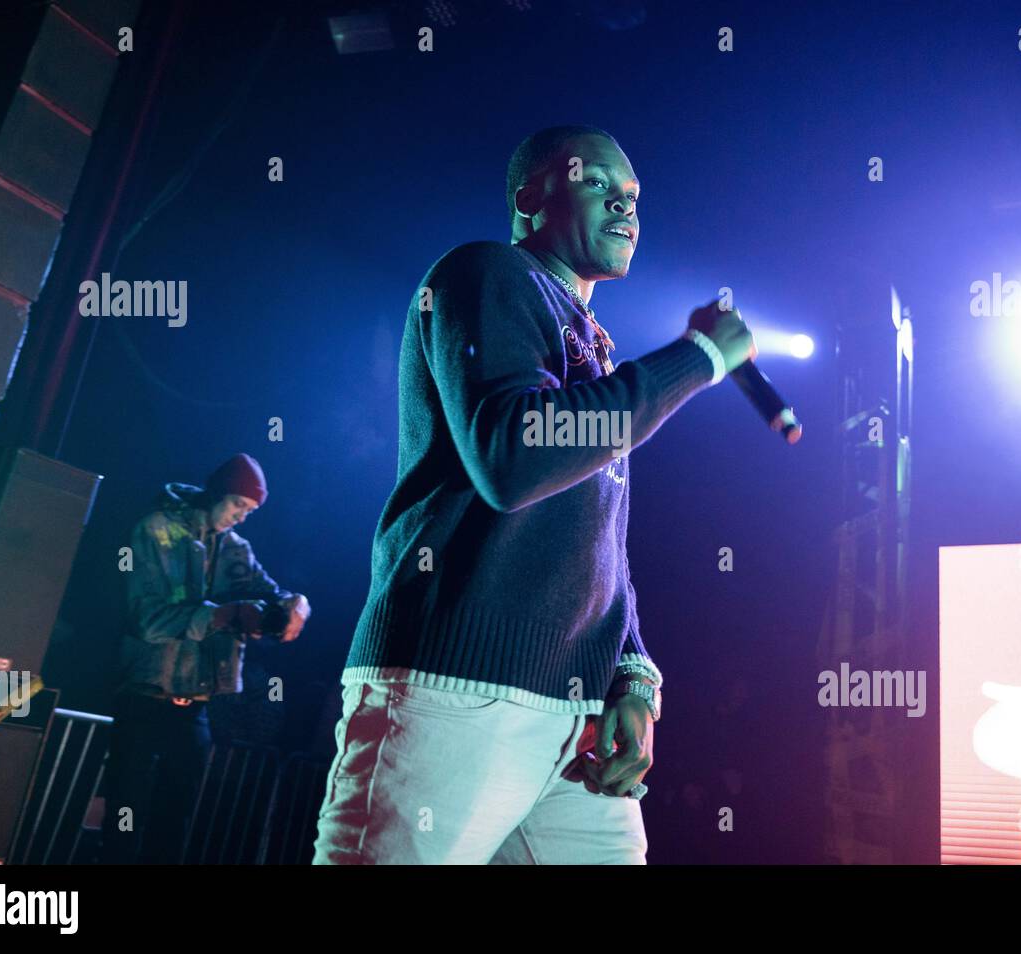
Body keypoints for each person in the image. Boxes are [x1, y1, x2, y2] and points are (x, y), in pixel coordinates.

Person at [313, 125, 754, 864]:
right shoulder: (484, 274)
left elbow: (597, 544)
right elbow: (513, 456)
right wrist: (698, 358)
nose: (624, 202)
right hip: (453, 688)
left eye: (635, 195)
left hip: (574, 719)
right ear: (529, 199)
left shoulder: (596, 349)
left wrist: (632, 673)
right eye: (596, 182)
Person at [100, 453, 310, 864]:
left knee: (175, 819)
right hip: (144, 698)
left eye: (250, 511)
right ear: (218, 493)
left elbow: (273, 593)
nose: (242, 518)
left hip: (194, 706)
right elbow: (146, 619)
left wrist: (296, 605)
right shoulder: (155, 530)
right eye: (239, 506)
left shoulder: (236, 549)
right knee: (126, 814)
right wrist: (224, 615)